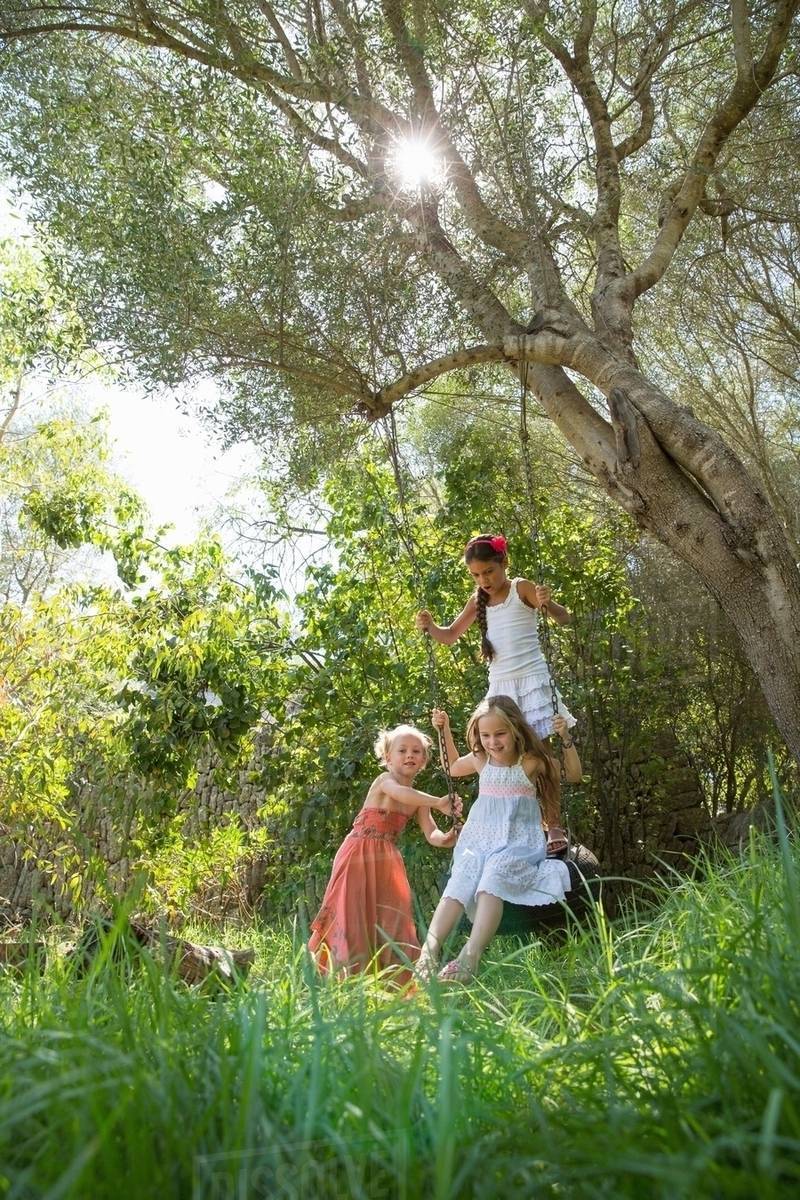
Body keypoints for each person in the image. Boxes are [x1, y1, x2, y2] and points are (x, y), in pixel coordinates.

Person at [415, 533, 580, 851]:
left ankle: (554, 826)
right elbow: (449, 636)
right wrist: (431, 626)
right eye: (476, 575)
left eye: (488, 571)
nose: (483, 580)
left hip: (532, 683)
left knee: (541, 758)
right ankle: (509, 825)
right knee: (498, 757)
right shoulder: (477, 601)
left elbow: (563, 618)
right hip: (501, 689)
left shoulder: (521, 588)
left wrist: (550, 602)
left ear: (504, 563)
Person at [417, 696, 574, 984]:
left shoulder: (531, 763)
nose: (492, 742)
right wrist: (444, 730)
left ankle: (470, 957)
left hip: (518, 843)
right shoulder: (481, 759)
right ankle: (428, 952)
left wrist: (565, 737)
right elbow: (452, 766)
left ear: (516, 730)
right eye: (485, 735)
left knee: (494, 875)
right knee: (462, 877)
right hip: (479, 840)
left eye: (500, 734)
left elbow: (573, 774)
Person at [308, 723, 460, 984]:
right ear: (388, 757)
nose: (410, 755)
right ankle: (344, 976)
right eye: (402, 750)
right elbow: (400, 793)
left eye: (416, 751)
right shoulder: (384, 781)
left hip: (387, 860)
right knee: (351, 912)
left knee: (391, 916)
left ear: (424, 760)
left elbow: (431, 833)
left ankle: (391, 981)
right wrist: (438, 801)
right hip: (358, 852)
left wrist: (448, 837)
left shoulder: (418, 799)